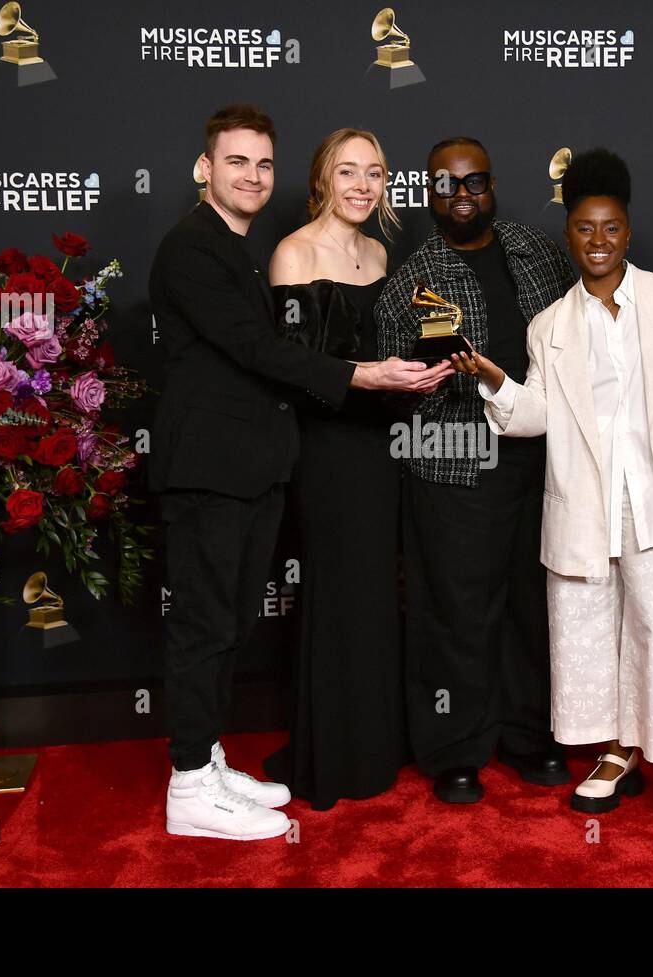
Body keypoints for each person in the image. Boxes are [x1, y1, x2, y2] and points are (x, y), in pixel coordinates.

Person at [148, 104, 452, 841]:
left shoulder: (232, 249)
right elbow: (261, 350)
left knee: (227, 622)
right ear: (205, 168)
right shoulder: (194, 248)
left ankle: (205, 760)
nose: (252, 176)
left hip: (251, 467)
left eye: (261, 164)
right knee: (204, 624)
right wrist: (364, 375)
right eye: (236, 162)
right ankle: (189, 782)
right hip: (210, 468)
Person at [452, 148, 653, 831]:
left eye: (610, 227)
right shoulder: (550, 326)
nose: (599, 240)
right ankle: (618, 749)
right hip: (582, 505)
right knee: (587, 631)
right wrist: (495, 381)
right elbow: (540, 414)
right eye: (584, 228)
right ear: (569, 236)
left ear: (628, 232)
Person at [375, 136, 577, 804]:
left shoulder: (537, 250)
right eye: (446, 185)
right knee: (456, 610)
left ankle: (531, 734)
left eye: (475, 182)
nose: (463, 197)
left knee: (533, 602)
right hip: (453, 467)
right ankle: (454, 748)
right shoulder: (411, 280)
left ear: (492, 186)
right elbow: (390, 388)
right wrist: (422, 383)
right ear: (428, 194)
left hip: (542, 457)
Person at [262, 128, 423, 809]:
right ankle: (330, 755)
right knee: (333, 591)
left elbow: (384, 352)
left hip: (381, 445)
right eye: (348, 171)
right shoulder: (293, 253)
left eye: (376, 173)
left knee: (374, 594)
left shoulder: (381, 251)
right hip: (325, 447)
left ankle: (372, 744)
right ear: (323, 178)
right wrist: (370, 375)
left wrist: (416, 373)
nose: (363, 185)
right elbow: (295, 369)